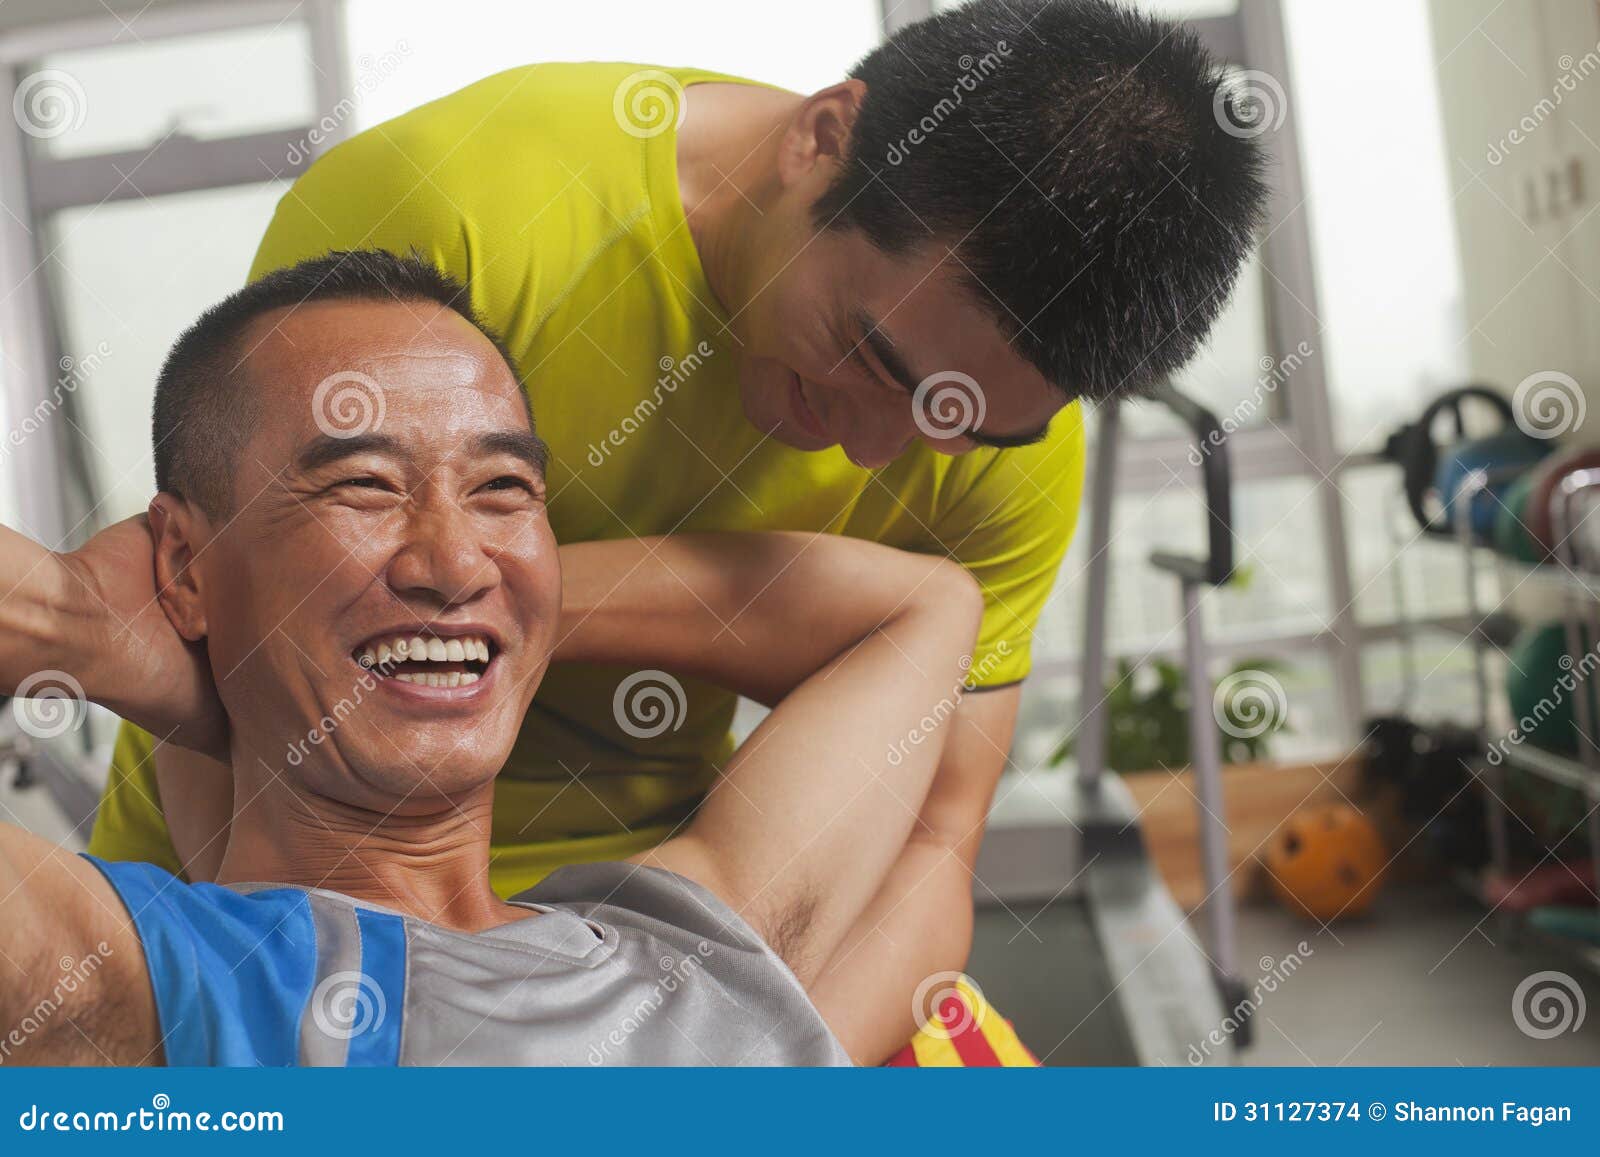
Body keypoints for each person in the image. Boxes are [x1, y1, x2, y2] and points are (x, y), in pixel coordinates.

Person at [90, 0, 1266, 1061]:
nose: (867, 448)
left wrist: (732, 1076)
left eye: (946, 422)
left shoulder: (1004, 442)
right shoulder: (457, 205)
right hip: (268, 891)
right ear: (823, 140)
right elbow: (235, 646)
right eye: (866, 355)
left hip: (673, 938)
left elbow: (931, 850)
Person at [0, 251, 982, 1066]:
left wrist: (508, 620)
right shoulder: (174, 983)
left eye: (504, 489)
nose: (456, 559)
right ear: (184, 562)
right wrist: (67, 617)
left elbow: (922, 608)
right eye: (364, 485)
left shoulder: (693, 940)